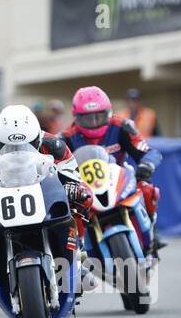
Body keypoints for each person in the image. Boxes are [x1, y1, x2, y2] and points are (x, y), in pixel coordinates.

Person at [0, 104, 94, 299]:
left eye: (26, 144)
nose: (18, 151)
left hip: (43, 196)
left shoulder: (54, 144)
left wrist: (73, 188)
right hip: (2, 201)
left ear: (36, 137)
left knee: (81, 200)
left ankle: (78, 253)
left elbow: (74, 178)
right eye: (9, 147)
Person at [60, 86, 165, 254]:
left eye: (99, 116)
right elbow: (56, 166)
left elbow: (147, 151)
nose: (94, 122)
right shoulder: (66, 137)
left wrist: (147, 164)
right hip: (86, 191)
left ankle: (152, 231)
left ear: (108, 113)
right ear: (76, 117)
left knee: (146, 188)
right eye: (88, 119)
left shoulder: (122, 126)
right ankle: (78, 251)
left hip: (119, 181)